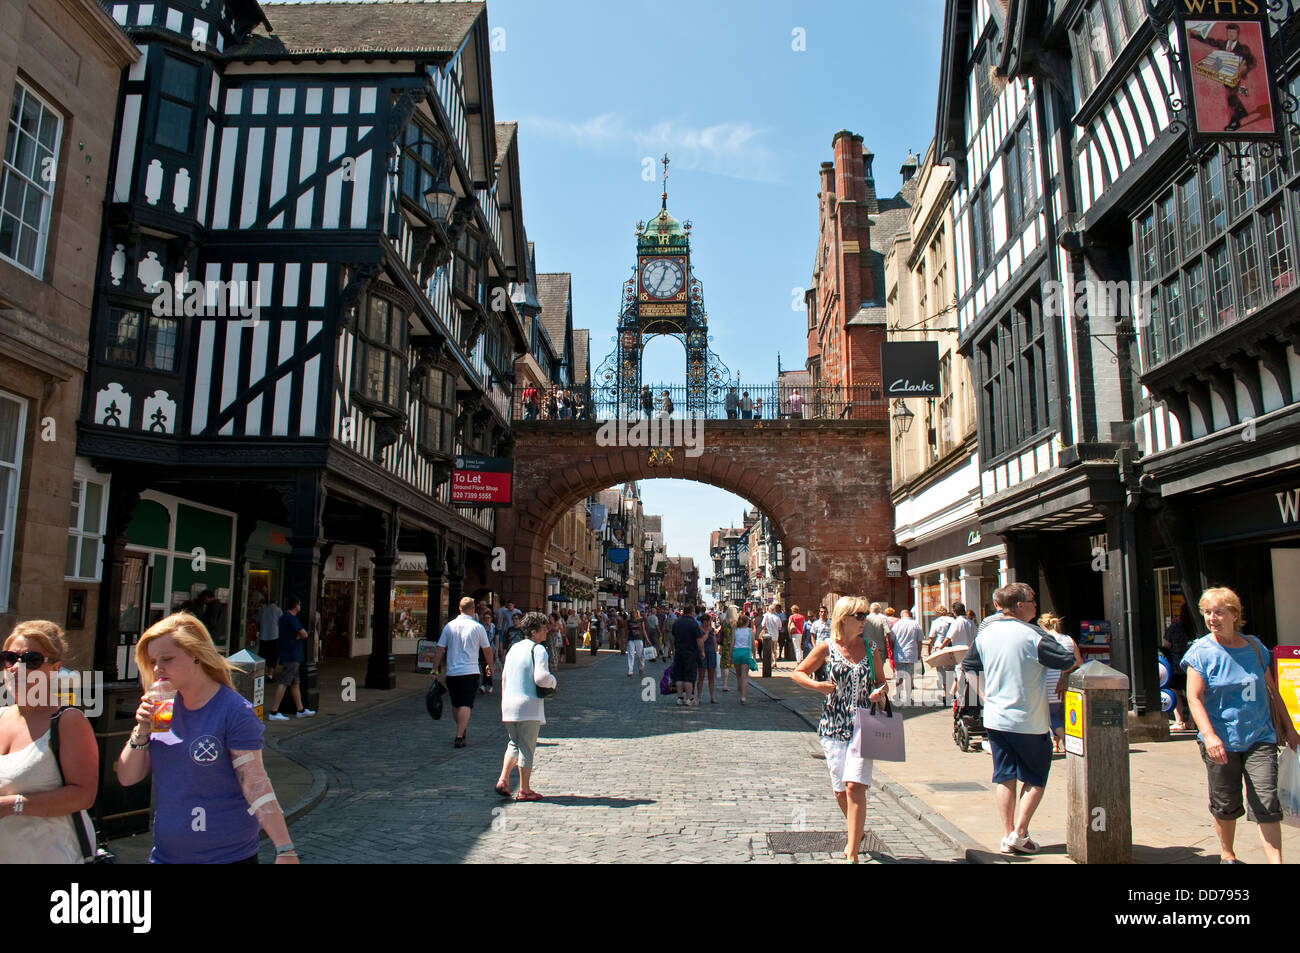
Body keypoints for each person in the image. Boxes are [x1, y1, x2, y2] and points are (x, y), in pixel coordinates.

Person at [115, 613, 298, 863]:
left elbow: (255, 782)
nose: (158, 668)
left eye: (167, 659)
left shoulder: (233, 710)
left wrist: (284, 848)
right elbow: (128, 777)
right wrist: (141, 729)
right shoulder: (161, 708)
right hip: (166, 857)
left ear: (196, 655)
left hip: (227, 857)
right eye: (153, 661)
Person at [1182, 586, 1300, 864]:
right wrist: (1209, 736)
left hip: (1260, 736)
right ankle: (1228, 855)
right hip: (1221, 740)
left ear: (1235, 615)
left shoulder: (1255, 647)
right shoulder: (1200, 653)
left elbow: (1272, 690)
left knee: (1267, 801)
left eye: (1219, 612)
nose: (1212, 618)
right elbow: (1193, 698)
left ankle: (1276, 862)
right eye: (1207, 612)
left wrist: (1291, 729)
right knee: (1225, 803)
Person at [960, 583, 1075, 855]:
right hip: (1028, 719)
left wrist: (985, 696)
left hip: (996, 718)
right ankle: (1020, 833)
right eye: (1033, 601)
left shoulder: (986, 634)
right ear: (1020, 605)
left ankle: (1007, 833)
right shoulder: (1033, 635)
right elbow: (1068, 660)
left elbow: (969, 666)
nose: (1037, 605)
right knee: (1036, 777)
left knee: (1004, 776)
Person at [792, 596, 889, 863]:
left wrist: (879, 693)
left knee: (854, 786)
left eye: (865, 615)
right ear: (843, 618)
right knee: (840, 789)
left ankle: (853, 853)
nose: (864, 621)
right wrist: (818, 687)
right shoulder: (826, 648)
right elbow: (798, 672)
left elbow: (882, 682)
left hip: (864, 723)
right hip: (833, 726)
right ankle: (856, 831)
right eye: (859, 616)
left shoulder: (871, 649)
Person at [0, 621, 98, 864]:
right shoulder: (2, 717)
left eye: (31, 660)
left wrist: (12, 805)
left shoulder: (67, 720)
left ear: (54, 668)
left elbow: (84, 796)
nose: (16, 668)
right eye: (9, 658)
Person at [495, 611, 557, 802]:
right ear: (533, 631)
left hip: (509, 705)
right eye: (543, 629)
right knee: (527, 748)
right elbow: (541, 677)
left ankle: (503, 779)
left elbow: (504, 677)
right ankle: (524, 789)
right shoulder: (537, 649)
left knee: (513, 743)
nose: (546, 632)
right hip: (528, 705)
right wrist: (553, 681)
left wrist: (504, 700)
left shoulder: (514, 648)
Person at [430, 597, 495, 748]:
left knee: (456, 704)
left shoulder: (450, 626)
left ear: (460, 609)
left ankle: (461, 729)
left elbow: (440, 649)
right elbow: (487, 650)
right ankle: (460, 736)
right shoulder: (477, 627)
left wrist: (434, 669)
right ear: (473, 610)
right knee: (466, 704)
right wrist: (490, 666)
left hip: (452, 672)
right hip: (470, 671)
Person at [1038, 614, 1082, 754]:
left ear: (1044, 626)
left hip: (1049, 684)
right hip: (1068, 684)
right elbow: (1079, 662)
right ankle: (1058, 743)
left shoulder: (1043, 640)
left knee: (1052, 717)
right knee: (1065, 716)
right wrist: (1064, 674)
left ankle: (1067, 741)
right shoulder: (1069, 639)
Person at [267, 596, 315, 721]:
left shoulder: (283, 617)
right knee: (284, 682)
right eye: (299, 604)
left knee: (295, 683)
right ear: (295, 606)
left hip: (288, 653)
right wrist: (300, 636)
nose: (300, 606)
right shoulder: (291, 618)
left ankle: (300, 710)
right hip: (292, 655)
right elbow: (304, 633)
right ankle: (274, 711)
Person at [1163, 603, 1195, 731]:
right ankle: (1192, 721)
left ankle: (1179, 720)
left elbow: (1166, 644)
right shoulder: (1195, 627)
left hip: (1177, 664)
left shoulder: (1175, 626)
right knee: (1193, 694)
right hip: (1193, 665)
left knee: (1175, 692)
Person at [889, 609, 923, 706]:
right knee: (909, 676)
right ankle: (908, 697)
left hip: (899, 653)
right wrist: (919, 654)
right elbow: (920, 641)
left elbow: (891, 639)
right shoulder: (915, 625)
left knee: (899, 676)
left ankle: (898, 695)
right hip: (911, 654)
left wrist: (892, 650)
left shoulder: (897, 625)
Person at [672, 606, 705, 706]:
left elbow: (673, 638)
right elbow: (699, 640)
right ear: (691, 612)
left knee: (679, 675)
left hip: (679, 652)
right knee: (689, 676)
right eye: (694, 612)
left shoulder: (676, 622)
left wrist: (673, 650)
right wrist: (702, 651)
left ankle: (679, 697)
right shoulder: (693, 624)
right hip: (690, 653)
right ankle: (689, 698)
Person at [730, 612, 759, 703]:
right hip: (746, 653)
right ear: (747, 622)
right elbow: (753, 645)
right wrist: (754, 655)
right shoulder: (750, 631)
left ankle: (739, 687)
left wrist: (730, 655)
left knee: (738, 674)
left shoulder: (735, 630)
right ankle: (743, 696)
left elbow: (732, 643)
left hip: (736, 652)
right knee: (744, 676)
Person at [696, 611, 719, 704]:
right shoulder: (699, 630)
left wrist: (716, 648)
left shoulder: (711, 630)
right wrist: (707, 632)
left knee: (711, 677)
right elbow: (702, 640)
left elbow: (714, 640)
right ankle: (699, 697)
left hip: (711, 653)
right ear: (704, 621)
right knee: (701, 677)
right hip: (702, 653)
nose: (710, 623)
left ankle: (712, 697)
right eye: (709, 621)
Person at [257, 596, 282, 672]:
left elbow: (257, 620)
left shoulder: (262, 610)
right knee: (273, 656)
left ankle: (261, 672)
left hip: (263, 636)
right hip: (274, 635)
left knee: (263, 655)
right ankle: (270, 674)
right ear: (276, 603)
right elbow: (281, 622)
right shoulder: (278, 610)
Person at [479, 610, 499, 694]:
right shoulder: (481, 628)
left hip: (491, 649)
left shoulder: (494, 628)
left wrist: (497, 651)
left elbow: (496, 640)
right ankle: (489, 684)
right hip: (482, 650)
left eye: (488, 618)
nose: (487, 619)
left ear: (491, 619)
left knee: (487, 667)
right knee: (485, 668)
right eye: (485, 618)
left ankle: (484, 685)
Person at [626, 609, 648, 677]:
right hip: (631, 639)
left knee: (640, 655)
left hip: (639, 638)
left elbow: (644, 630)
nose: (633, 614)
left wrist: (647, 639)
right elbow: (627, 630)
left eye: (635, 613)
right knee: (631, 654)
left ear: (637, 614)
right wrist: (625, 639)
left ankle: (641, 667)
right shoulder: (628, 621)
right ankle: (630, 670)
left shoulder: (641, 620)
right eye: (632, 613)